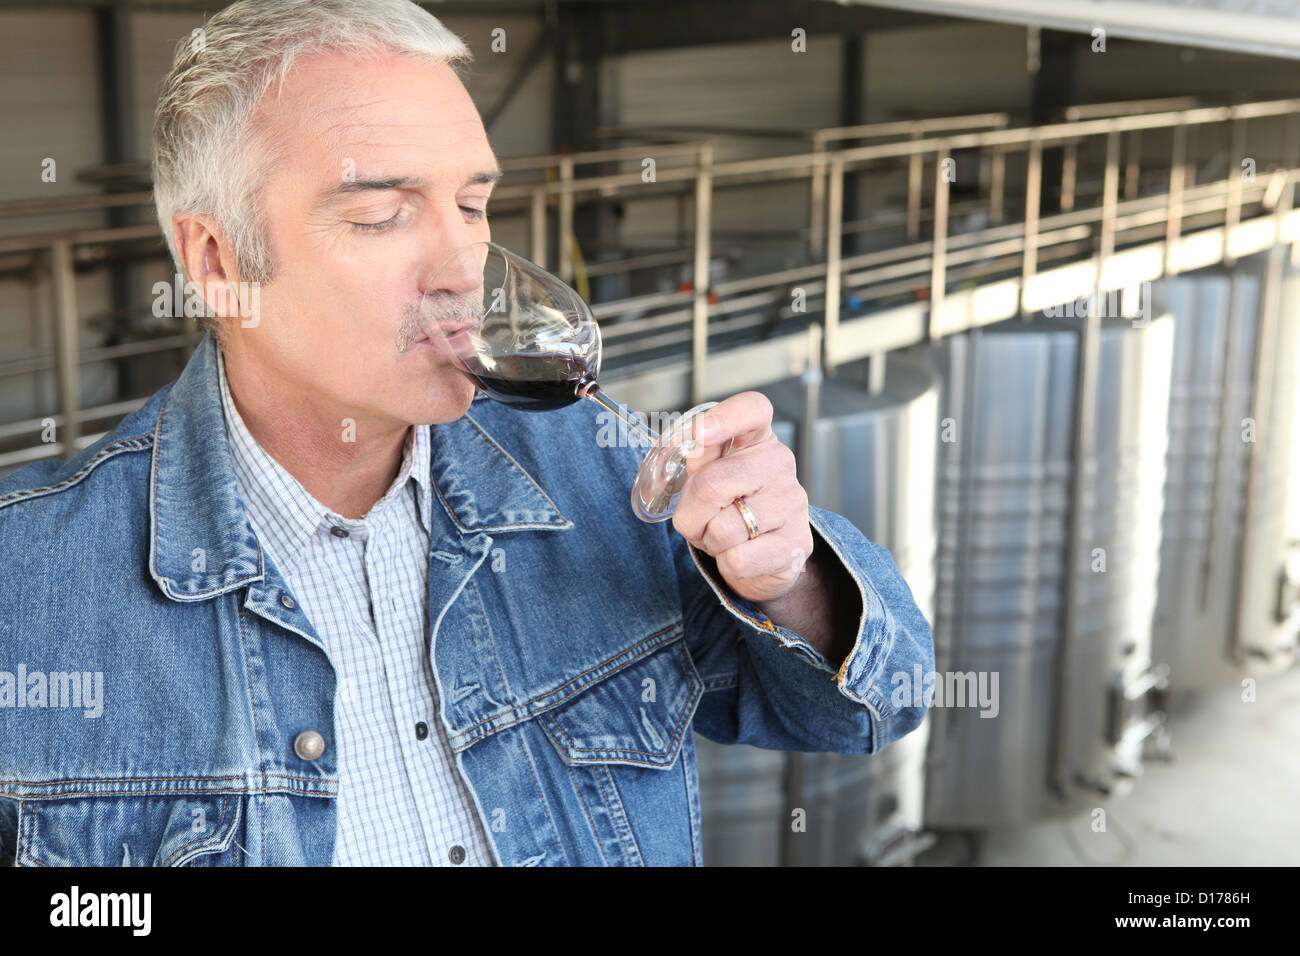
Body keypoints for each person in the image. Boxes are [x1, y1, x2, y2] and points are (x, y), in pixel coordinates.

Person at [0, 0, 933, 867]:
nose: (460, 268)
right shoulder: (28, 586)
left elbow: (871, 710)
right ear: (217, 261)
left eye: (473, 205)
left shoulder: (602, 479)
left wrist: (793, 579)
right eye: (379, 213)